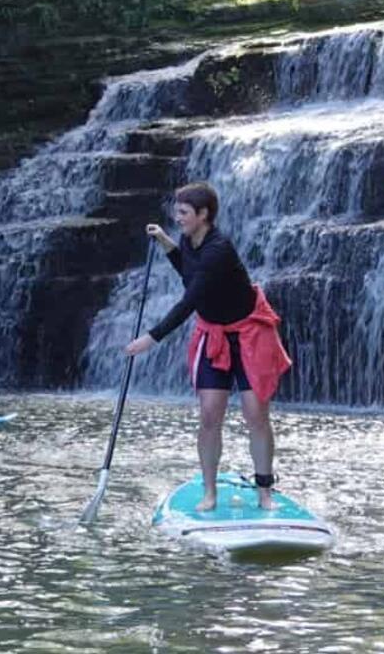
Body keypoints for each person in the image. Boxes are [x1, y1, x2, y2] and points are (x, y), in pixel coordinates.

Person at [124, 182, 291, 511]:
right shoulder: (189, 240)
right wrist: (165, 241)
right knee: (209, 416)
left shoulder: (219, 250)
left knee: (256, 415)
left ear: (204, 215)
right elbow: (189, 272)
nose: (178, 216)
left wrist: (150, 338)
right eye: (177, 211)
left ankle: (265, 492)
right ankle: (210, 492)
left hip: (248, 336)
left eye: (184, 212)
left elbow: (191, 298)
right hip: (213, 332)